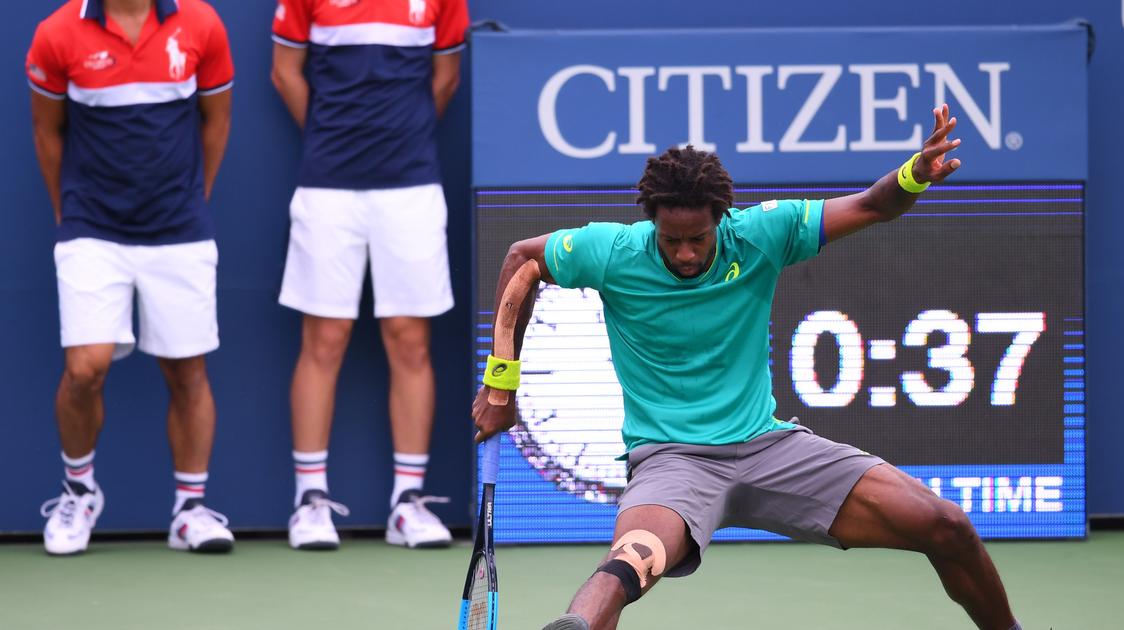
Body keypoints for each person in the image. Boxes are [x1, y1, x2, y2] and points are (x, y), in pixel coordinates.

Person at [474, 105, 1024, 630]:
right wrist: (501, 384)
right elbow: (524, 261)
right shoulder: (614, 250)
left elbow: (873, 204)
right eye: (672, 241)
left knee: (945, 524)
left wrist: (914, 173)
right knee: (627, 566)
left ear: (722, 219)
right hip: (672, 462)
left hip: (771, 449)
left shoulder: (760, 233)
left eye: (698, 239)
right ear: (651, 224)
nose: (686, 254)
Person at [27, 0, 235, 555]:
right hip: (92, 229)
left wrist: (194, 200)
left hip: (180, 229)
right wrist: (66, 213)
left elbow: (217, 119)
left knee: (187, 370)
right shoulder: (56, 33)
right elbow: (47, 134)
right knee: (84, 370)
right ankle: (79, 491)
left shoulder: (202, 24)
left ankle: (189, 509)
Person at [270, 0, 468, 550]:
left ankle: (407, 502)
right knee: (324, 338)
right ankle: (309, 500)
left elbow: (444, 78)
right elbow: (284, 70)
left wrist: (394, 140)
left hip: (410, 188)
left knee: (410, 339)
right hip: (327, 186)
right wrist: (337, 138)